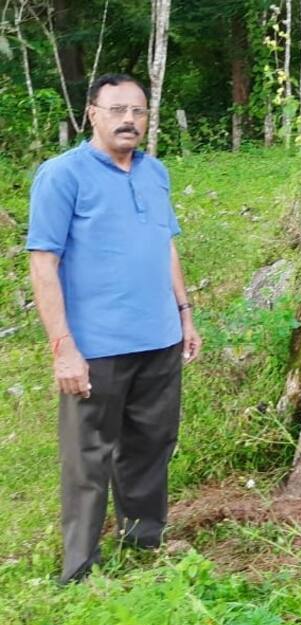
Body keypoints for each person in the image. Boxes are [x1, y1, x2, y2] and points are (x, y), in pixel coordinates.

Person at [26, 73, 202, 583]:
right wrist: (63, 348)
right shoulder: (63, 175)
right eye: (118, 109)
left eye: (139, 111)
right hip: (96, 346)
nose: (129, 119)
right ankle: (78, 567)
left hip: (159, 338)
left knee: (151, 444)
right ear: (92, 114)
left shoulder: (155, 172)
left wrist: (184, 313)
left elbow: (165, 244)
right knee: (88, 458)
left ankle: (143, 542)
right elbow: (43, 264)